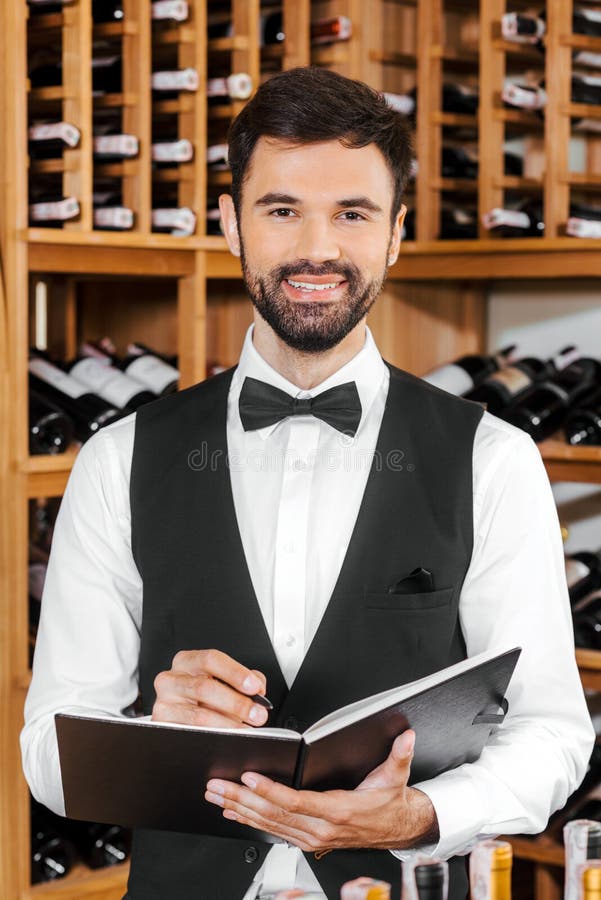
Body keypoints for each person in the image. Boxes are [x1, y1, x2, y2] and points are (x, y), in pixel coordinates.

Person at [21, 67, 594, 900]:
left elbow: (551, 735)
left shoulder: (492, 458)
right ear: (231, 224)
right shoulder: (119, 458)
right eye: (282, 209)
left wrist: (418, 814)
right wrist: (148, 725)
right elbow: (48, 753)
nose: (317, 249)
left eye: (351, 214)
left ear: (394, 233)